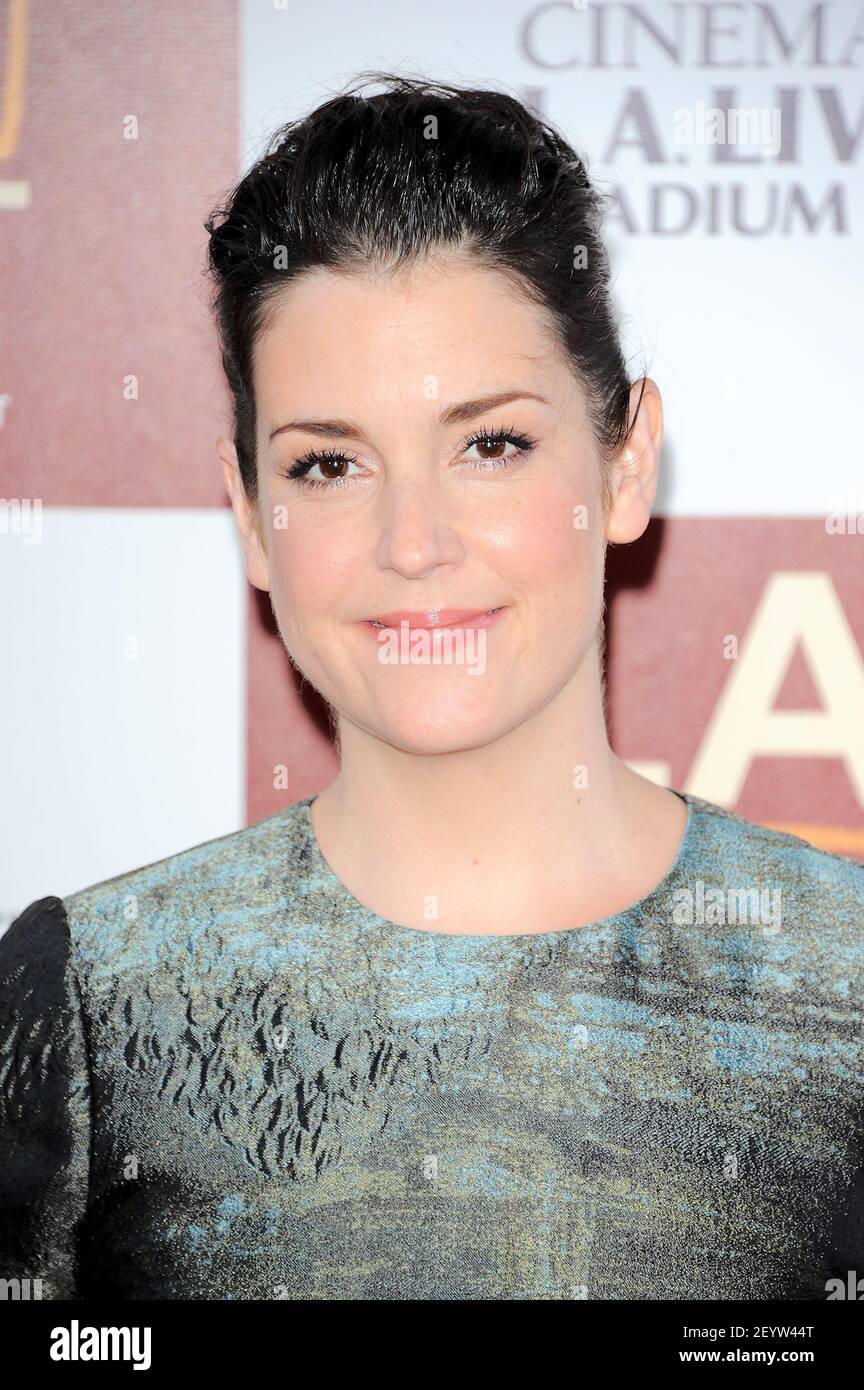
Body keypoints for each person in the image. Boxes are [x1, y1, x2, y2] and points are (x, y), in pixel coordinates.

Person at [1, 71, 862, 1301]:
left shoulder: (846, 985)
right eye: (331, 461)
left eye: (490, 443)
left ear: (625, 465)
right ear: (250, 515)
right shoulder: (88, 1009)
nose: (414, 542)